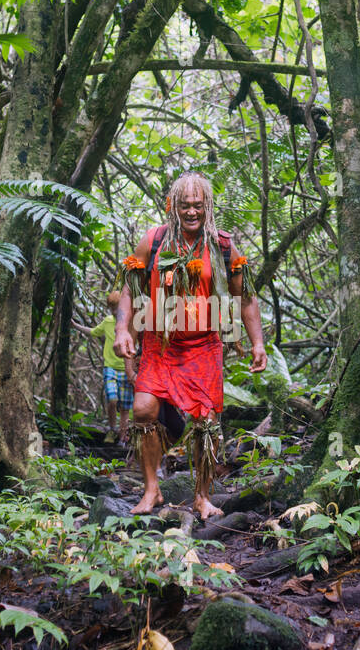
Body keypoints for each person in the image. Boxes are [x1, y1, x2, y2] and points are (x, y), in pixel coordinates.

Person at [113, 171, 267, 519]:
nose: (192, 212)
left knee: (206, 424)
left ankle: (201, 496)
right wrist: (123, 331)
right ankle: (152, 491)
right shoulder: (153, 241)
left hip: (204, 345)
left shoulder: (224, 246)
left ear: (208, 206)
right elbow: (127, 289)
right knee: (143, 411)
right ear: (173, 206)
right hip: (159, 343)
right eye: (185, 205)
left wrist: (258, 343)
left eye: (198, 205)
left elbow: (246, 298)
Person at [78, 292, 136, 442]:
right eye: (111, 308)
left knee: (124, 408)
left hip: (126, 369)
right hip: (110, 367)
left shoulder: (131, 323)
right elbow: (93, 331)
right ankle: (112, 429)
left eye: (116, 308)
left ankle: (122, 437)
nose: (114, 312)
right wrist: (76, 325)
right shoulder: (108, 321)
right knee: (112, 400)